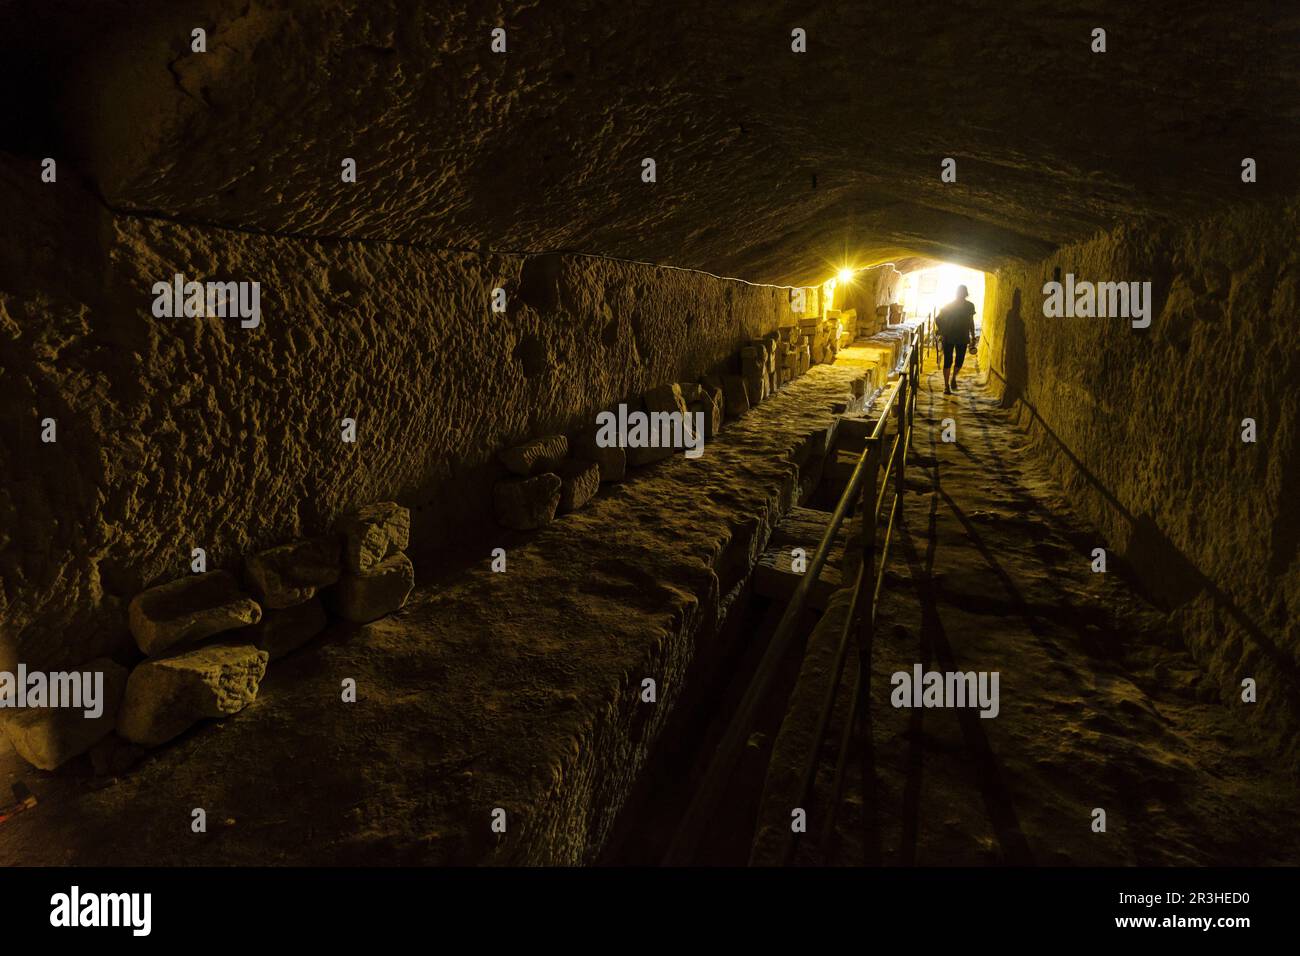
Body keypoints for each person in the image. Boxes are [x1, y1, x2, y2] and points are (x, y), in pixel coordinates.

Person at [935, 285, 976, 394]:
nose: (961, 295)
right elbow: (938, 319)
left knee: (959, 360)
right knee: (948, 360)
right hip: (950, 336)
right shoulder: (950, 306)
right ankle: (946, 385)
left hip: (961, 336)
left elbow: (971, 321)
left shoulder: (969, 306)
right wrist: (942, 331)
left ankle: (953, 378)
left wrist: (973, 335)